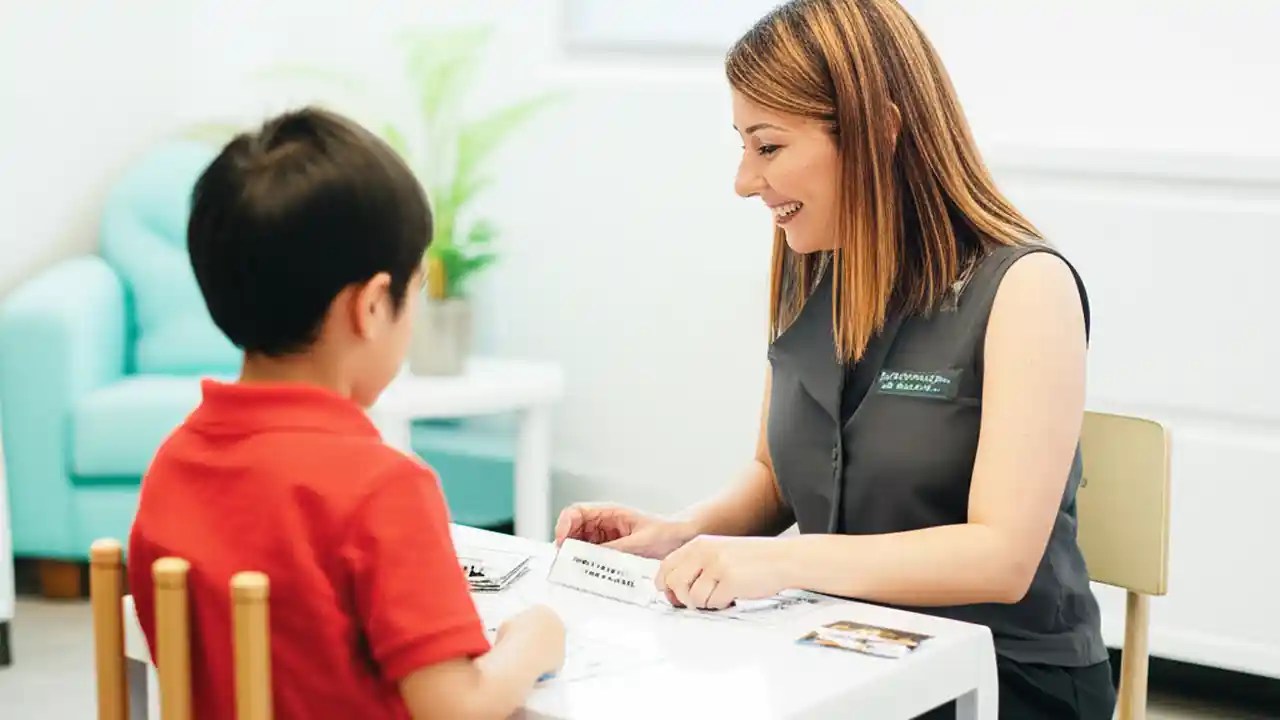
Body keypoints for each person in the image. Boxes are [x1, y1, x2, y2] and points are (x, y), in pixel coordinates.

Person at [555, 1, 1114, 717]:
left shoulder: (1026, 287)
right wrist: (677, 534)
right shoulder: (808, 265)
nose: (744, 181)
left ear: (880, 132)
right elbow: (775, 478)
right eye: (742, 145)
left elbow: (1000, 558)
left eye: (768, 147)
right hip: (839, 655)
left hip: (1004, 677)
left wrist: (777, 563)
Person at [128, 107, 564, 720]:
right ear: (370, 307)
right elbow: (455, 708)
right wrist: (533, 640)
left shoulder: (173, 465)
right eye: (411, 295)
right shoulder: (383, 488)